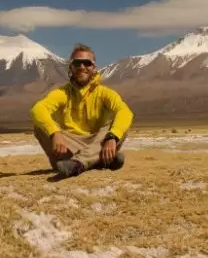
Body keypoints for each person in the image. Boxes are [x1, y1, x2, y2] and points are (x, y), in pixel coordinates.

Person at [30, 43, 134, 178]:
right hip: (69, 145)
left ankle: (79, 163)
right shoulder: (62, 93)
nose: (82, 67)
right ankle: (99, 161)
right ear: (71, 67)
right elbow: (38, 109)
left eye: (87, 63)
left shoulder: (104, 93)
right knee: (40, 127)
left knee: (119, 124)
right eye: (77, 63)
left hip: (97, 142)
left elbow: (125, 111)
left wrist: (112, 137)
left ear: (94, 67)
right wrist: (54, 133)